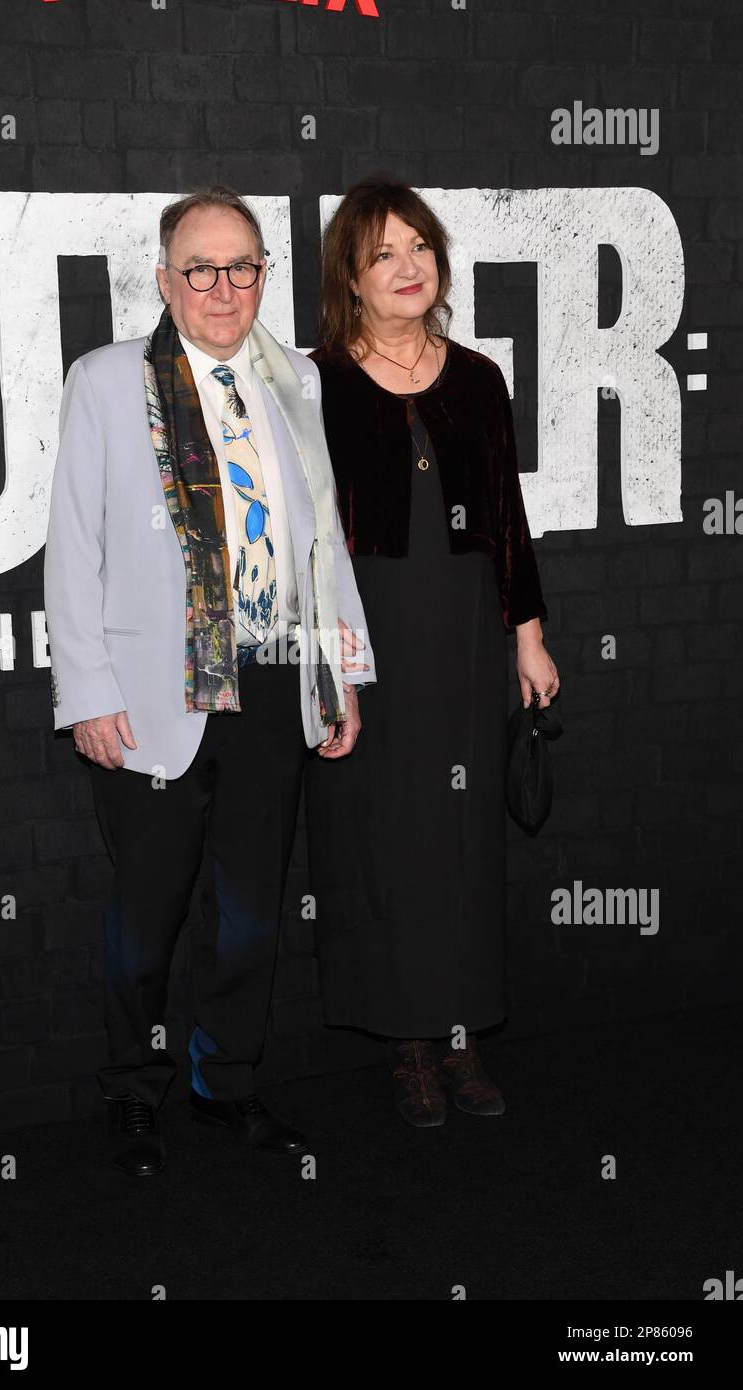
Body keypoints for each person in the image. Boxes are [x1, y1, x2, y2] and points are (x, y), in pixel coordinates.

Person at [43, 186, 375, 1176]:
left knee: (251, 914)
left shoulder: (297, 384)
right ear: (164, 279)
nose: (222, 287)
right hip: (152, 693)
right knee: (144, 918)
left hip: (273, 683)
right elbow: (73, 545)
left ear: (263, 275)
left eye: (242, 267)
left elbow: (323, 541)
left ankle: (223, 1083)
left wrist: (339, 671)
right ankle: (132, 1092)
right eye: (200, 268)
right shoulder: (107, 382)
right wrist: (87, 690)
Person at [303, 175, 560, 1128]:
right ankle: (405, 1047)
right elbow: (300, 538)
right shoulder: (314, 383)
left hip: (460, 636)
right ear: (352, 279)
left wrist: (527, 637)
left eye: (420, 247)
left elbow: (505, 520)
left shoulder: (480, 379)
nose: (408, 266)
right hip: (364, 636)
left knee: (459, 842)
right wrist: (323, 661)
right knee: (379, 838)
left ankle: (460, 1038)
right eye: (383, 253)